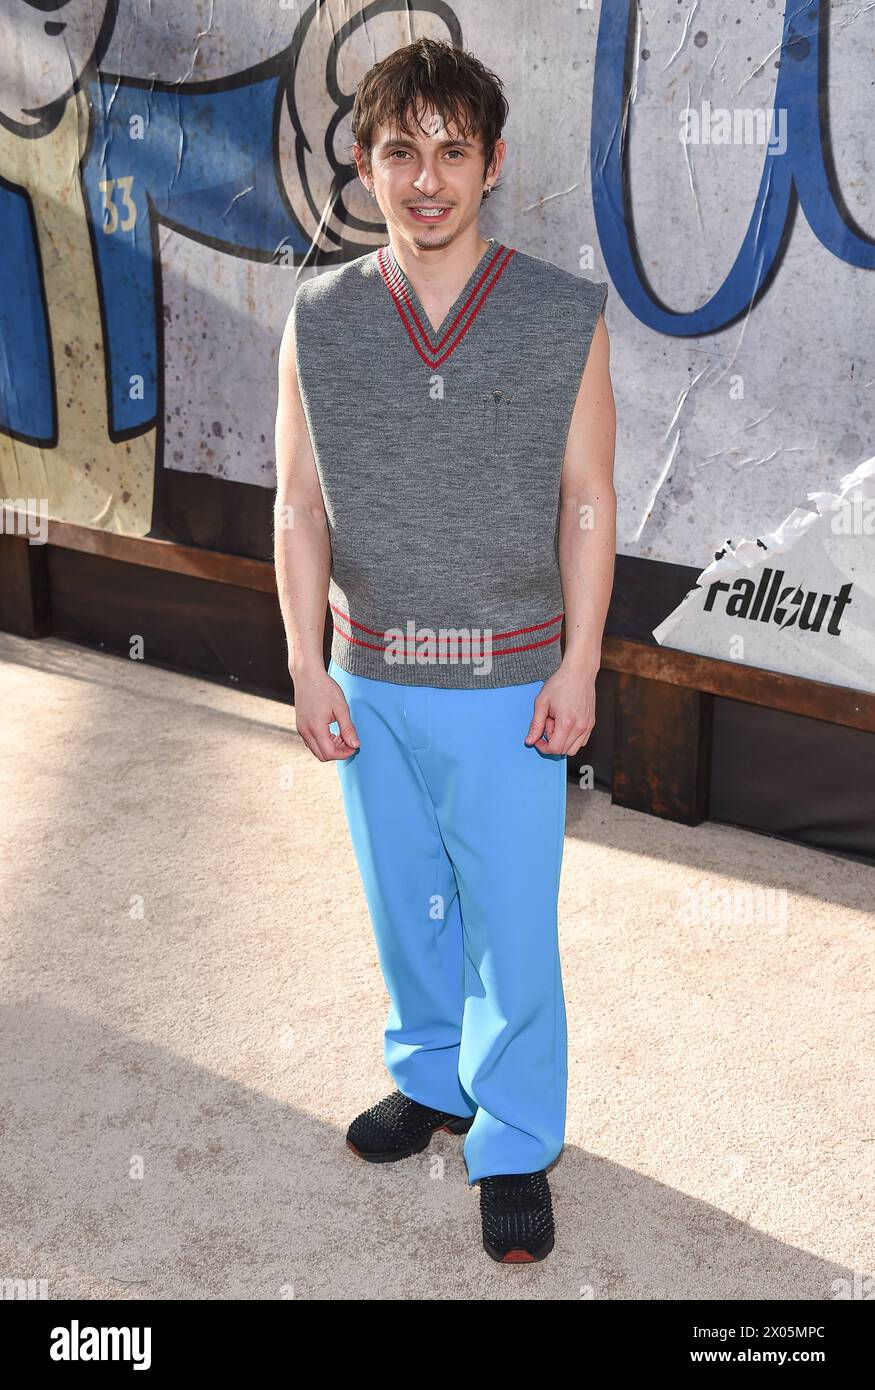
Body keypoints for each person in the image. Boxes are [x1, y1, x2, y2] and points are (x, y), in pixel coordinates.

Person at [274, 36, 616, 1264]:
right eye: (399, 150)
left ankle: (515, 1138)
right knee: (402, 905)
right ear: (363, 165)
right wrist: (307, 665)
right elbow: (296, 505)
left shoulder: (558, 313)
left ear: (490, 165)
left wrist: (579, 663)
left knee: (509, 922)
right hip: (369, 676)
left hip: (511, 677)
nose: (426, 178)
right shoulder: (315, 318)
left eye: (451, 152)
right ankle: (432, 1077)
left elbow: (587, 494)